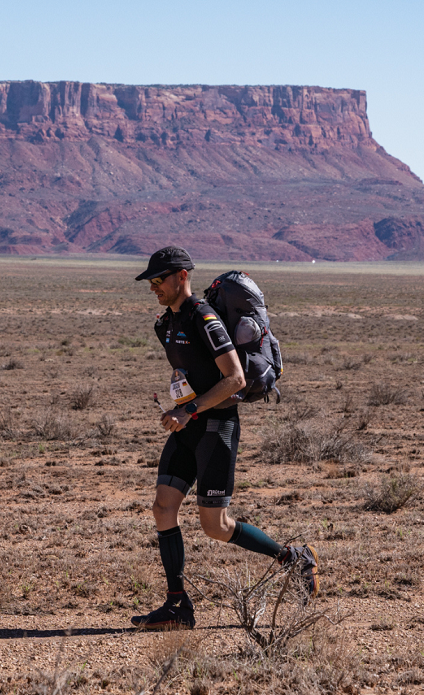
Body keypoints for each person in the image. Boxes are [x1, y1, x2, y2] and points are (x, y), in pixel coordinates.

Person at [131, 246, 318, 630]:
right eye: (150, 281)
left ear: (182, 276)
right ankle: (177, 607)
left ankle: (295, 559)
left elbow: (235, 378)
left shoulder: (205, 318)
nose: (153, 287)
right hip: (189, 426)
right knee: (163, 508)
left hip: (215, 428)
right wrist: (180, 404)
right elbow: (195, 372)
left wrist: (189, 409)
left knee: (215, 526)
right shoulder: (164, 324)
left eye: (159, 279)